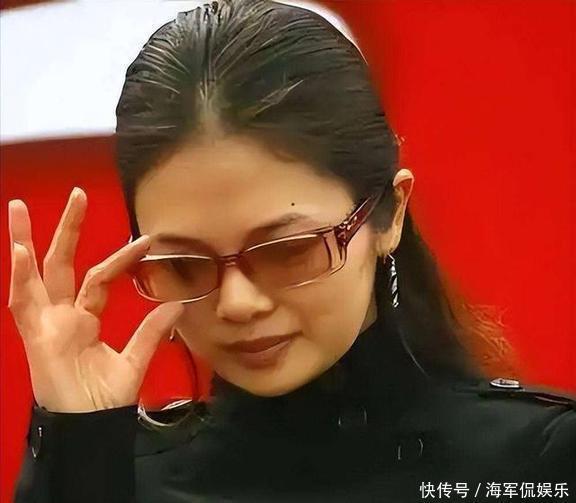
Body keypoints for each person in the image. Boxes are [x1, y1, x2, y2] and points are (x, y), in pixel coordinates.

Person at [8, 1, 575, 502]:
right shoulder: (114, 477)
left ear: (390, 213)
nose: (237, 304)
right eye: (185, 266)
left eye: (288, 250)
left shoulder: (539, 464)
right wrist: (74, 449)